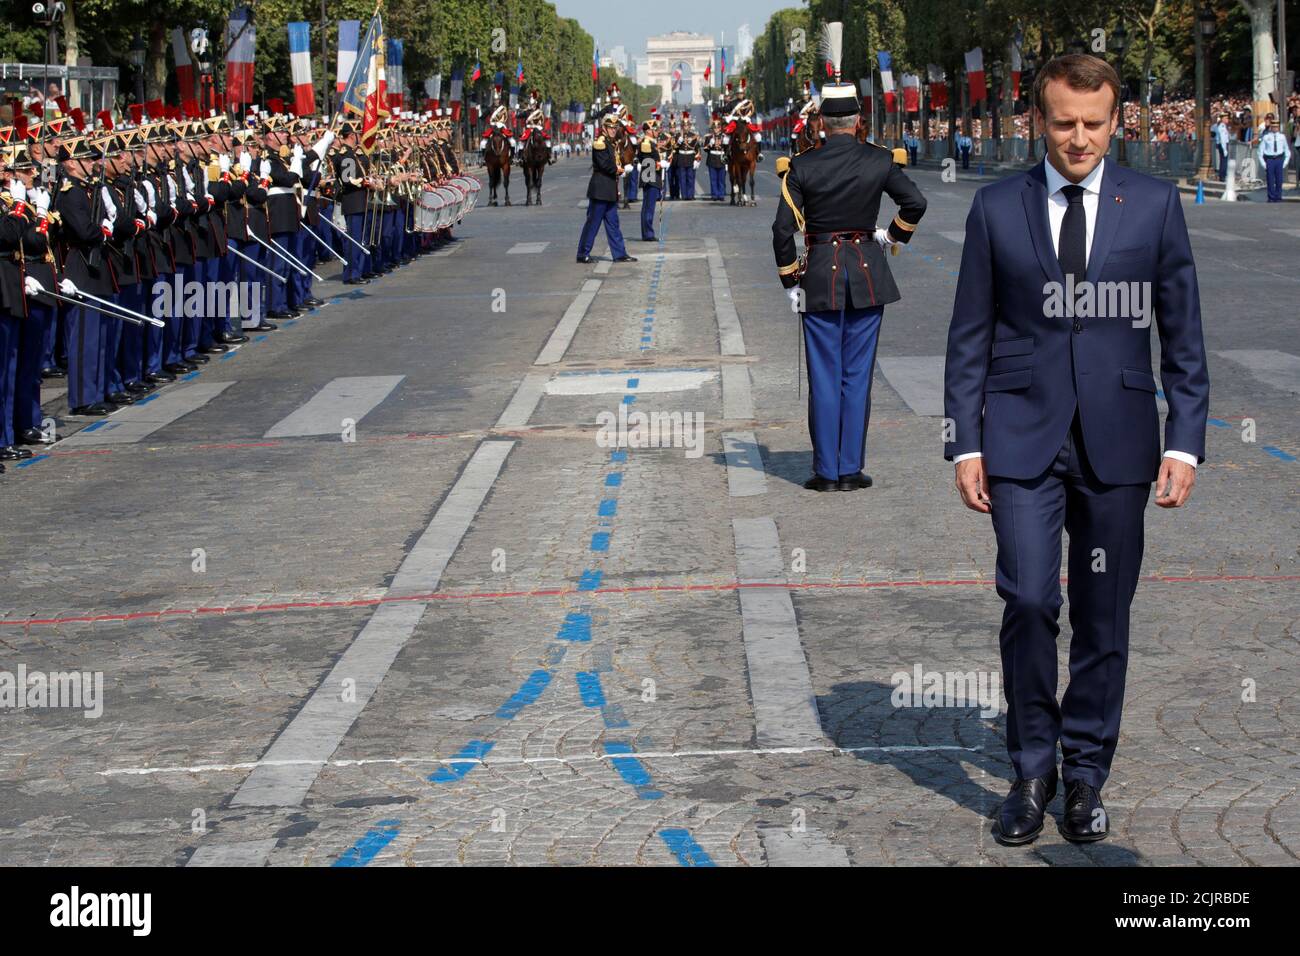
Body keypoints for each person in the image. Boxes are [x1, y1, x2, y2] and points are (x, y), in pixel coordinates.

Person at [943, 54, 1209, 846]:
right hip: (1019, 437)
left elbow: (1184, 333)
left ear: (1116, 121)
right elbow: (968, 336)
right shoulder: (996, 209)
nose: (1080, 138)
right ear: (1038, 119)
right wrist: (963, 442)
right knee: (1027, 599)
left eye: (1094, 124)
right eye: (1064, 123)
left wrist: (1186, 443)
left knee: (1104, 616)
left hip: (1121, 442)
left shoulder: (1155, 204)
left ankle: (1086, 773)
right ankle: (1031, 769)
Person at [772, 22, 927, 492]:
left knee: (824, 376)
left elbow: (782, 230)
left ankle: (826, 472)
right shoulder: (881, 159)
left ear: (820, 122)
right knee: (857, 376)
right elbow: (915, 203)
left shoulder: (800, 165)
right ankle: (851, 468)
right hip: (867, 274)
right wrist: (892, 236)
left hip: (819, 274)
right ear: (858, 121)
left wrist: (791, 279)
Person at [576, 114, 636, 264]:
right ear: (604, 127)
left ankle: (619, 254)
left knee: (613, 224)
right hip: (601, 188)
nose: (613, 130)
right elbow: (604, 165)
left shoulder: (612, 143)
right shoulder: (600, 143)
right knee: (593, 223)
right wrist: (620, 170)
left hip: (609, 189)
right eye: (610, 127)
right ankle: (583, 253)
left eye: (615, 128)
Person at [1258, 115, 1291, 202]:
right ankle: (1271, 197)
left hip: (1279, 159)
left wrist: (1285, 162)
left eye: (1276, 127)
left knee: (1279, 180)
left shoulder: (1282, 137)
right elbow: (1260, 151)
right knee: (1270, 179)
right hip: (1270, 160)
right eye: (1273, 127)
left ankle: (1278, 196)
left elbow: (1287, 151)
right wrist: (1264, 164)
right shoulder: (1266, 137)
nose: (1275, 128)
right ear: (1271, 127)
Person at [1211, 112, 1230, 181]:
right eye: (1226, 118)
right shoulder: (1222, 126)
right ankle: (1222, 176)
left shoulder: (1222, 126)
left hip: (1222, 144)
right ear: (1222, 119)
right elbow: (1223, 139)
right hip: (1223, 145)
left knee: (1223, 160)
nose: (1227, 119)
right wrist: (1224, 149)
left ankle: (1222, 175)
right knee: (1224, 161)